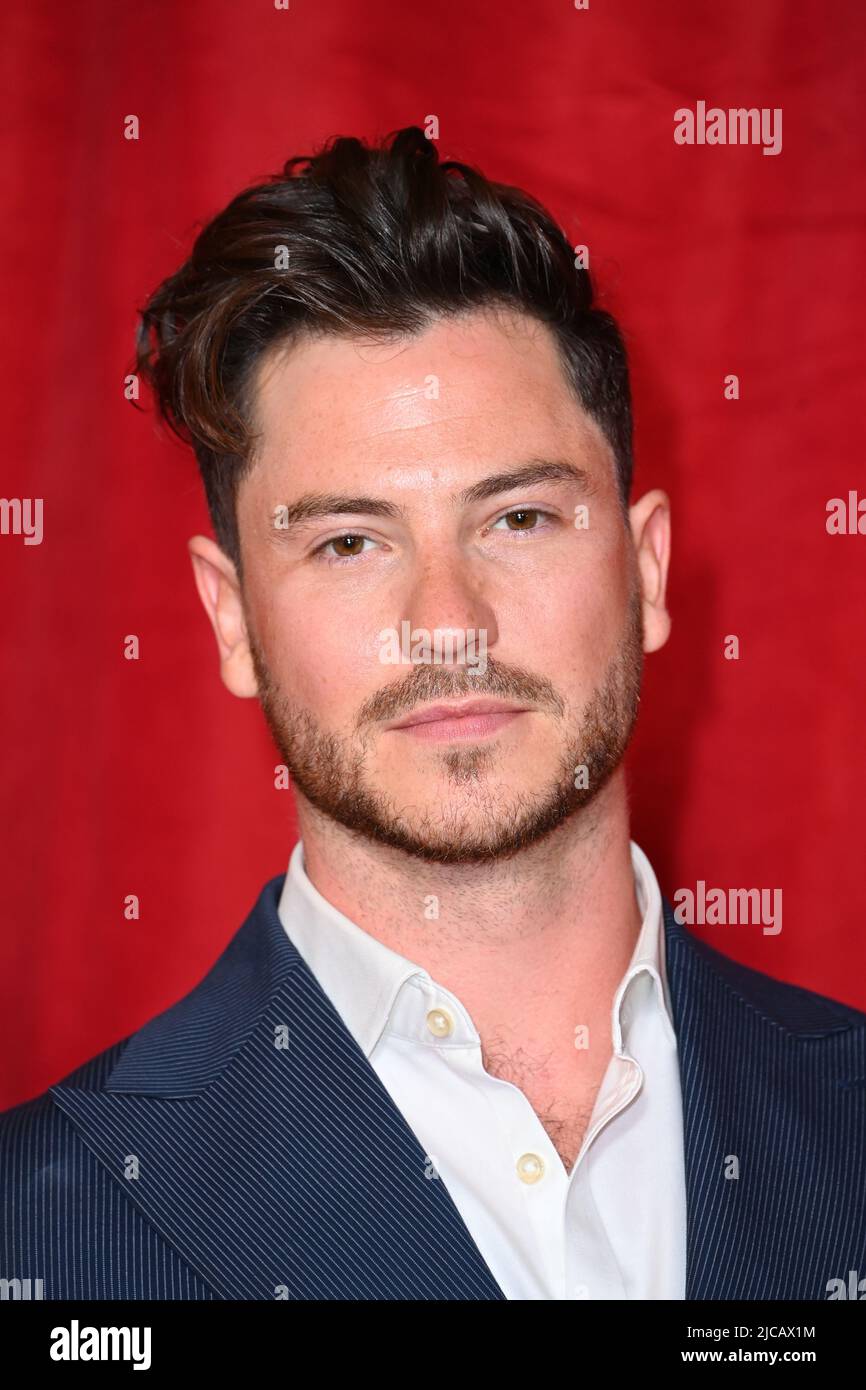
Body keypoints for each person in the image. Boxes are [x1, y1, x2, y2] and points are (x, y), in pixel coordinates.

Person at [2, 127, 864, 1302]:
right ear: (231, 620)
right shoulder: (37, 1232)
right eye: (349, 543)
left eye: (516, 518)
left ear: (647, 572)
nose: (447, 621)